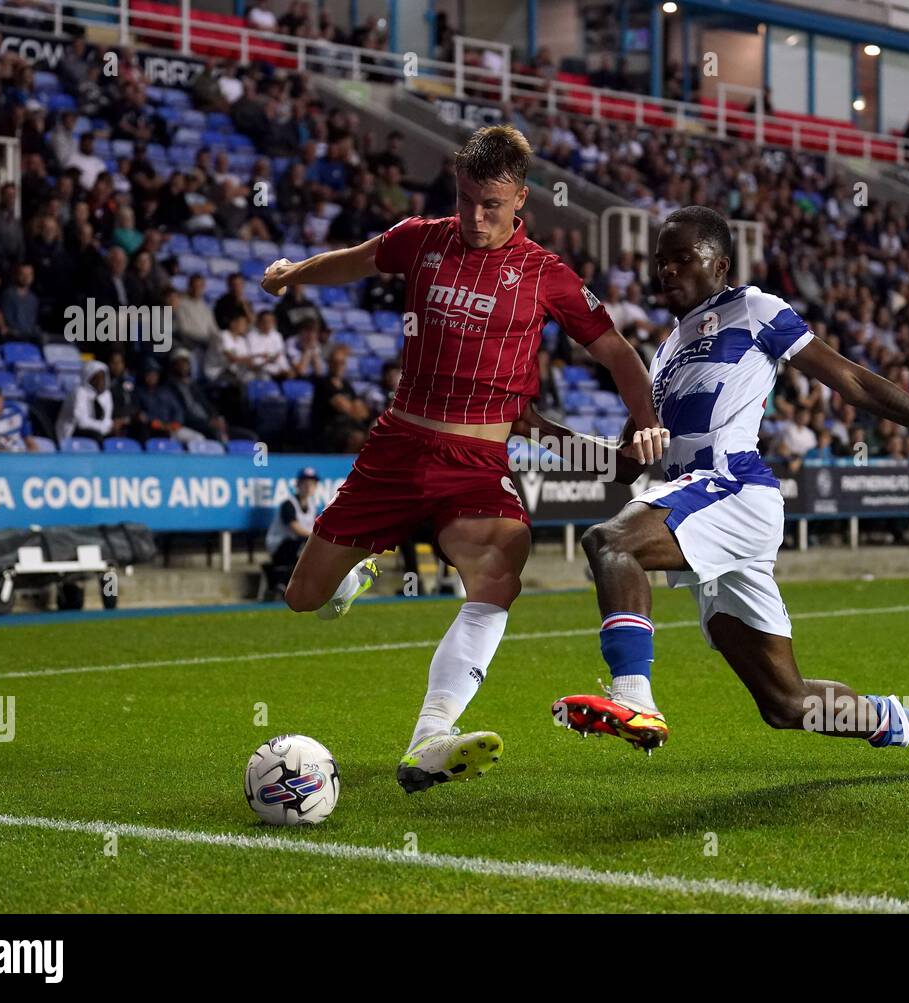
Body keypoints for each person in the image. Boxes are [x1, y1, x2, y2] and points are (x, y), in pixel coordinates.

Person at [260, 124, 665, 794]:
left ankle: (429, 737)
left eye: (492, 205)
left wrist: (645, 422)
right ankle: (357, 570)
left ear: (520, 200)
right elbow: (358, 259)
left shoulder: (545, 273)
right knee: (304, 598)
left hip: (477, 461)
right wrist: (292, 275)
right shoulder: (421, 238)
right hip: (397, 447)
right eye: (468, 199)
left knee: (501, 567)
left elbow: (618, 352)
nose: (476, 217)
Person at [547, 206, 909, 771]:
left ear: (719, 264)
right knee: (787, 703)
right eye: (660, 262)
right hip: (703, 503)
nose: (666, 272)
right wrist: (535, 429)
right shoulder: (664, 353)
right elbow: (623, 467)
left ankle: (634, 700)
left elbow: (853, 382)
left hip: (733, 486)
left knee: (609, 542)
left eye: (681, 259)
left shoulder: (754, 308)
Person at [265, 467, 322, 595]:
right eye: (305, 483)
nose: (308, 487)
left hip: (297, 544)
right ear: (298, 484)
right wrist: (314, 537)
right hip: (280, 546)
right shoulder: (289, 504)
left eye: (312, 484)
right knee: (302, 543)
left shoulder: (312, 506)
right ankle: (281, 583)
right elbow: (295, 528)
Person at [56, 360, 125, 444]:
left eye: (103, 377)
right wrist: (104, 427)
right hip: (73, 432)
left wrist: (109, 426)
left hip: (101, 431)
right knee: (96, 436)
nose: (101, 382)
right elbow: (82, 423)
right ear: (88, 377)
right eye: (97, 378)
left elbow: (107, 419)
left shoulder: (107, 394)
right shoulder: (79, 392)